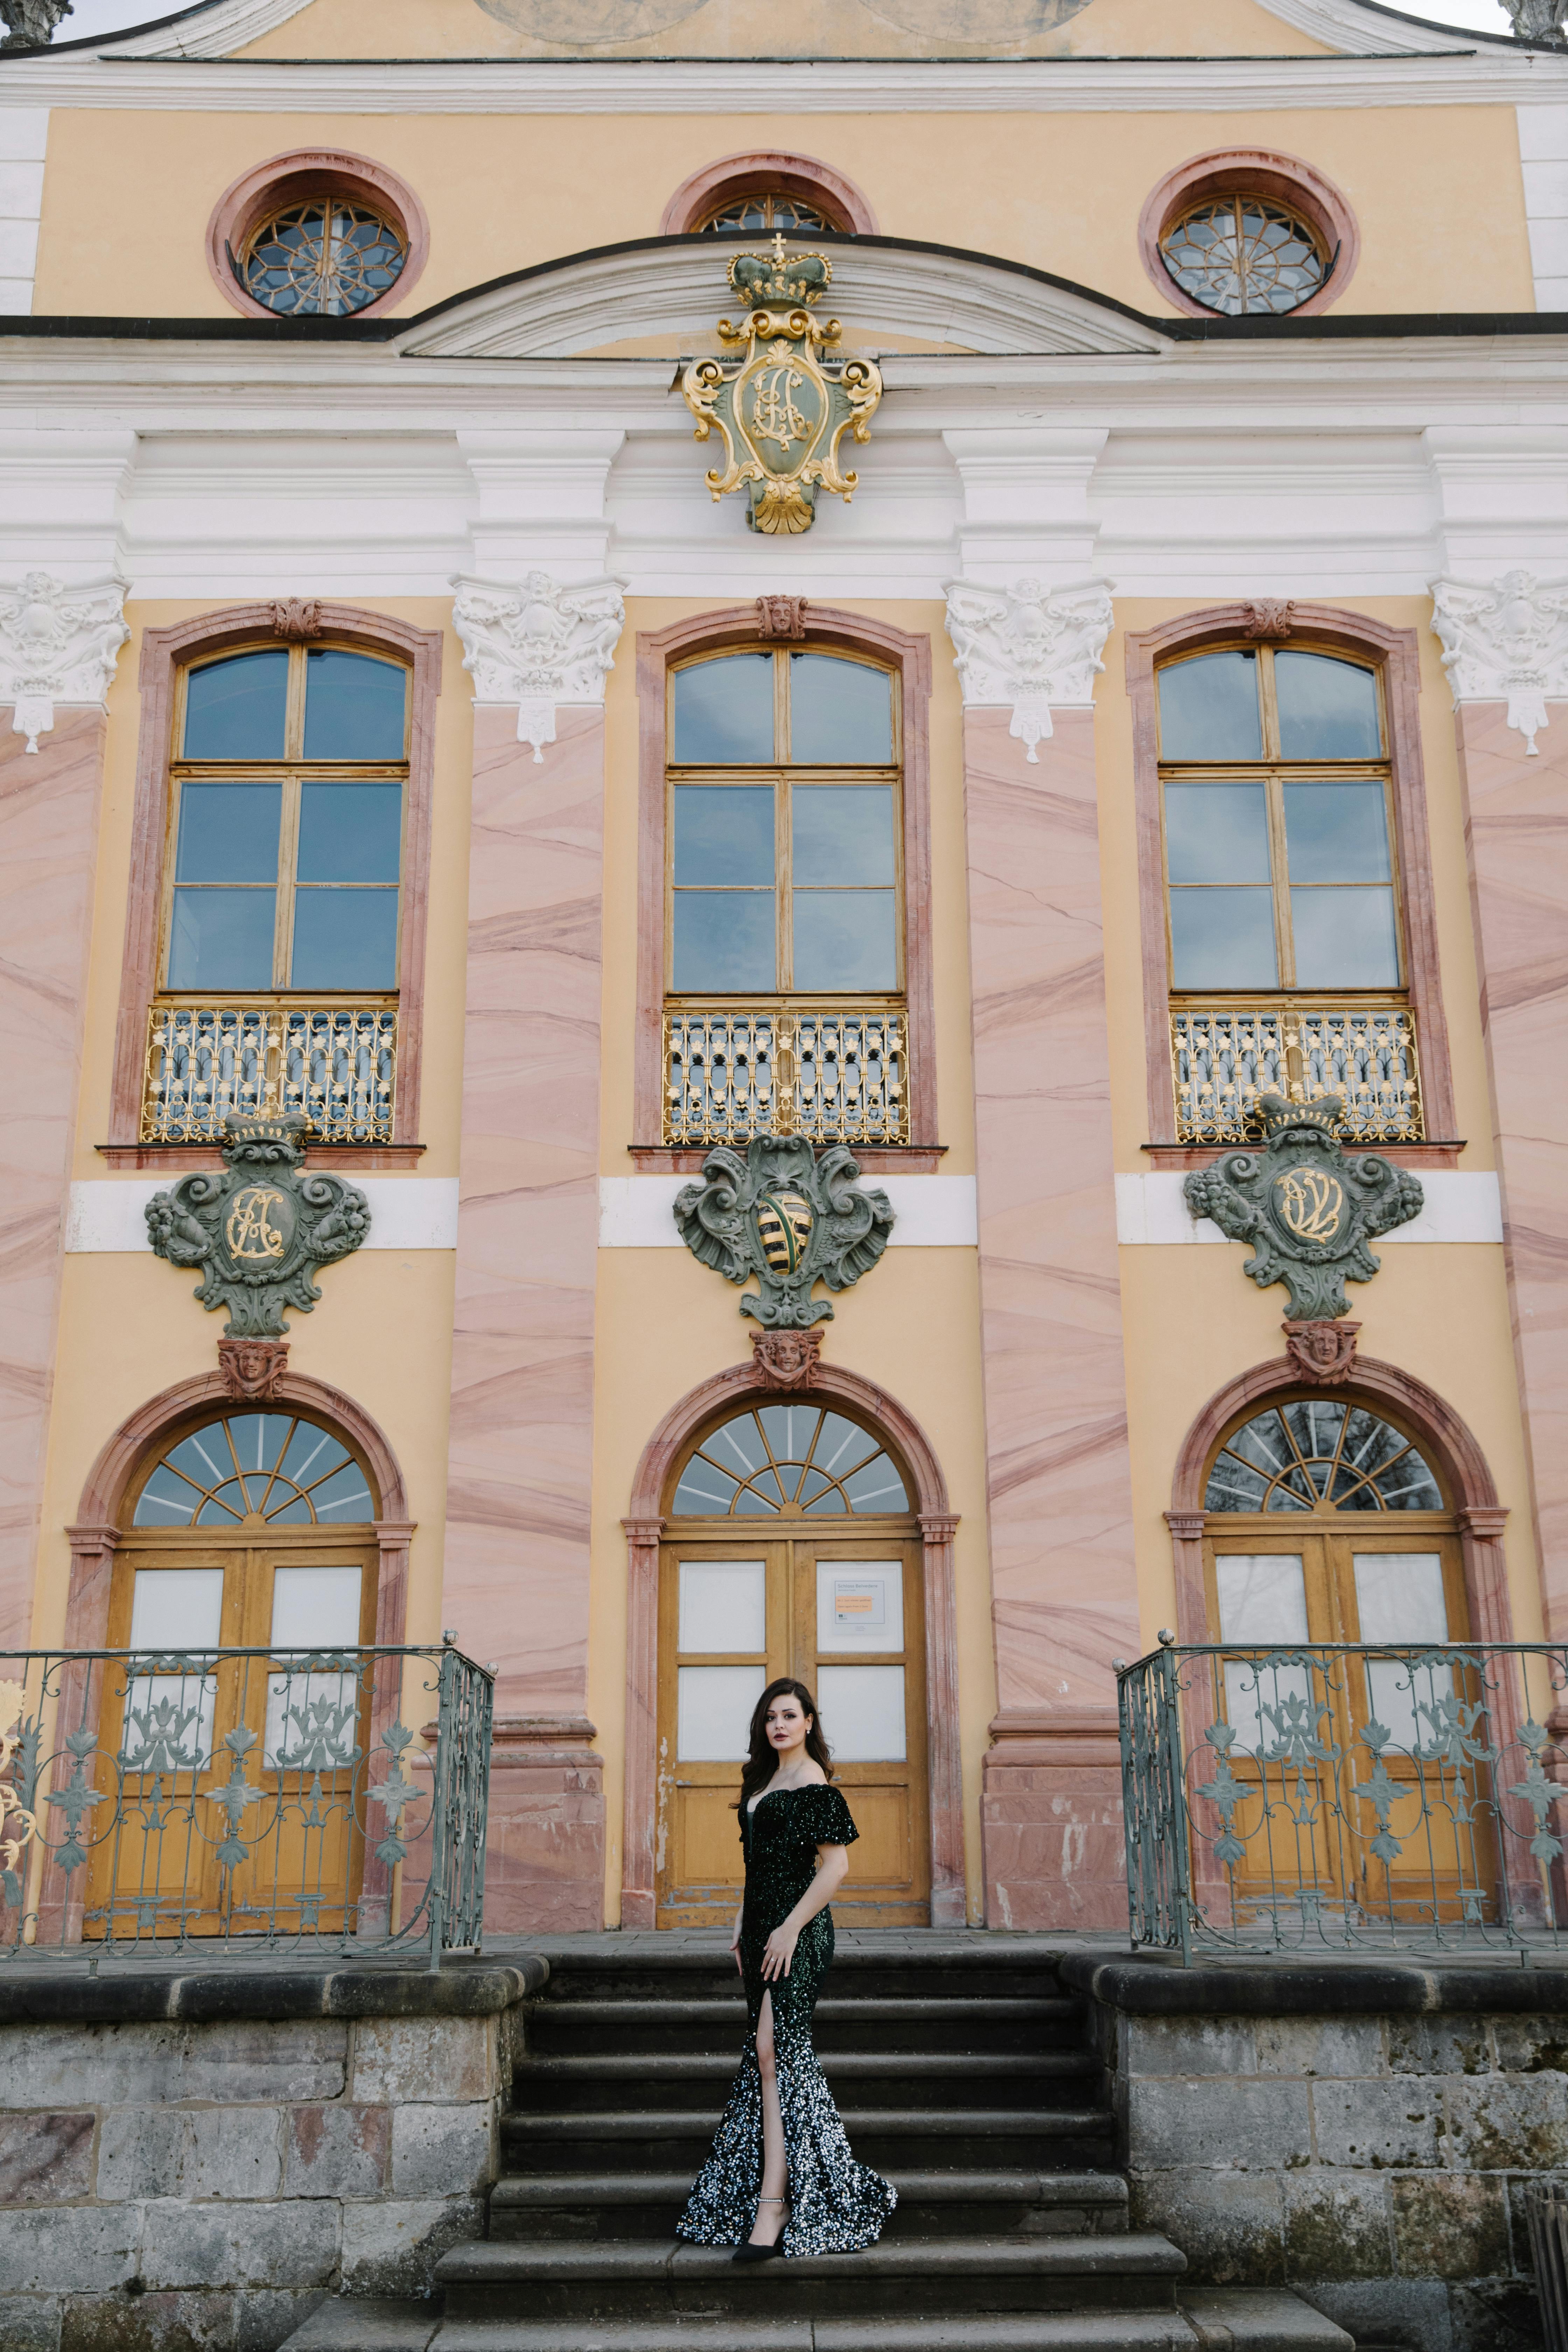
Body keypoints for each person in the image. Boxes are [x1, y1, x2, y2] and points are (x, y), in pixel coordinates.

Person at [676, 1677, 896, 2262]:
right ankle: (771, 2193)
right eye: (771, 1716)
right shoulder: (763, 1781)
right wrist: (742, 1920)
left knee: (776, 2051)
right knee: (767, 2056)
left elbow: (835, 1868)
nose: (779, 1724)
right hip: (762, 1931)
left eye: (790, 1715)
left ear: (808, 1724)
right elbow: (760, 1865)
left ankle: (773, 2207)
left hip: (799, 1933)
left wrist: (790, 1927)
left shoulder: (813, 1784)